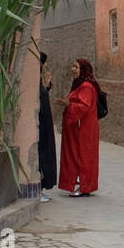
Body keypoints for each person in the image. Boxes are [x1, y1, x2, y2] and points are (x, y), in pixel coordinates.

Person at [56, 58, 100, 197]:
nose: (72, 69)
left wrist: (68, 105)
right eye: (72, 66)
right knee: (78, 154)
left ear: (83, 69)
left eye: (76, 66)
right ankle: (80, 184)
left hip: (83, 128)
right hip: (79, 127)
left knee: (81, 155)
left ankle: (83, 186)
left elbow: (84, 107)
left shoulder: (86, 86)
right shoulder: (80, 84)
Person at [37, 52, 57, 201]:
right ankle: (38, 188)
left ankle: (41, 187)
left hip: (44, 125)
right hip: (42, 126)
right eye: (44, 63)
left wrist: (46, 86)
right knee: (42, 153)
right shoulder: (34, 83)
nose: (46, 66)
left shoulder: (38, 83)